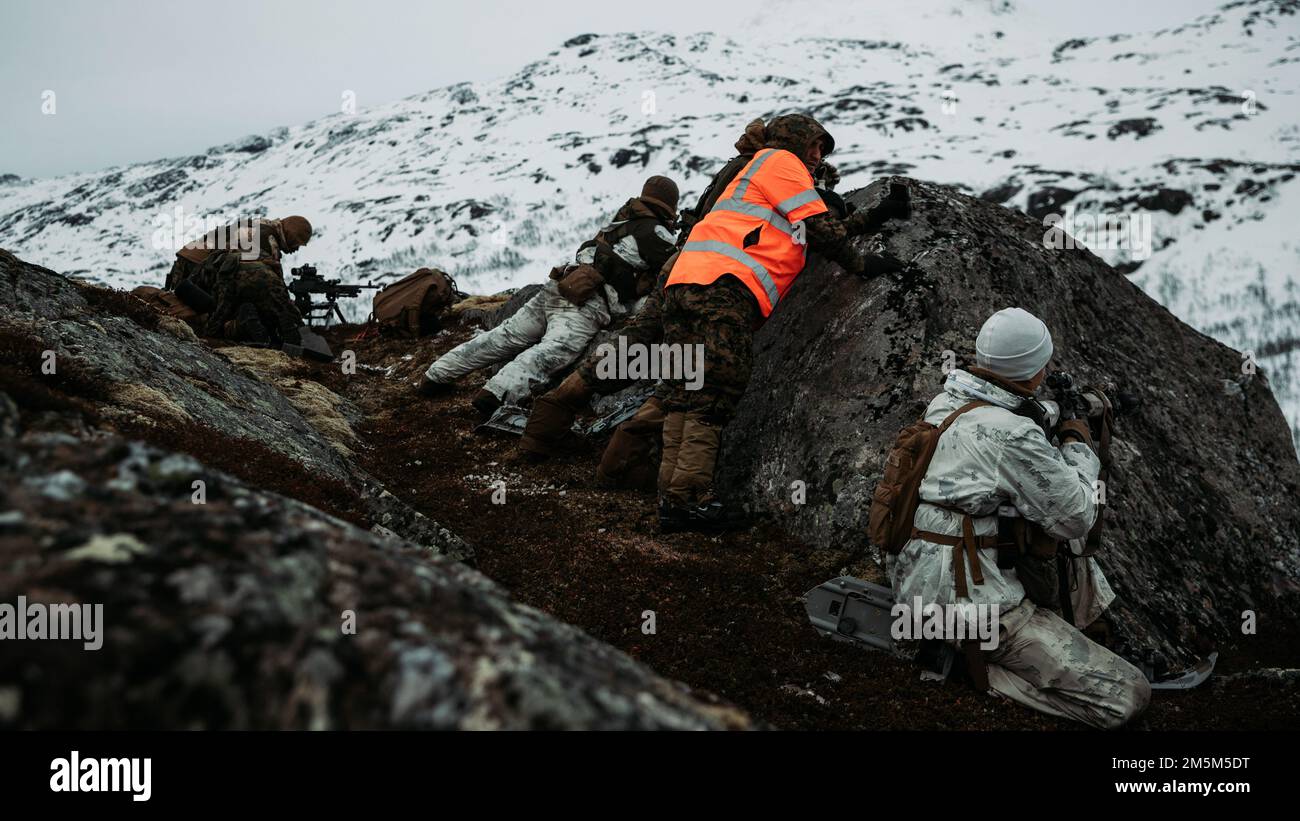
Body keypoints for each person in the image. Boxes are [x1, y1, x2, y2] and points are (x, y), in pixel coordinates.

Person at [888, 307, 1150, 728]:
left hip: (919, 577)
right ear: (1035, 369)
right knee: (1129, 696)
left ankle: (1059, 644)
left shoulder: (948, 401)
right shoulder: (1013, 435)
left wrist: (1056, 413)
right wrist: (1076, 439)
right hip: (971, 608)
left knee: (1061, 553)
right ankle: (971, 669)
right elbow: (1077, 515)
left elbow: (1009, 419)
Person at [655, 113, 908, 532]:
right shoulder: (782, 163)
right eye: (814, 145)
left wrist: (871, 217)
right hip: (725, 286)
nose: (817, 155)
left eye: (822, 150)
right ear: (795, 140)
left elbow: (808, 232)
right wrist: (862, 263)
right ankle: (693, 502)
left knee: (685, 390)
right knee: (713, 392)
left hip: (687, 282)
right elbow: (821, 230)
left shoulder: (755, 171)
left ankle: (672, 500)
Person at [417, 176, 679, 419]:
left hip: (559, 285)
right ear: (669, 206)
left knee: (504, 336)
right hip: (585, 303)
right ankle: (495, 394)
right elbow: (675, 270)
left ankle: (436, 375)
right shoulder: (657, 234)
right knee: (553, 351)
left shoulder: (622, 219)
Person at [165, 216, 312, 346]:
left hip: (193, 261)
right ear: (290, 235)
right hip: (196, 265)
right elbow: (270, 283)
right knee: (201, 314)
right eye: (297, 243)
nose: (297, 249)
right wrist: (292, 313)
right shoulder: (267, 239)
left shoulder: (260, 226)